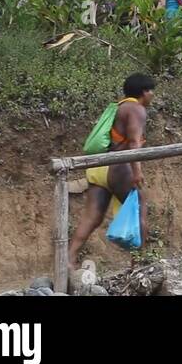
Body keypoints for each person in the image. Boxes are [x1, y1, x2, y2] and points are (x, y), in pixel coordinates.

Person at [68, 73, 154, 270]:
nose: (152, 95)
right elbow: (133, 142)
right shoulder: (136, 109)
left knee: (92, 217)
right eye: (151, 91)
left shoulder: (118, 107)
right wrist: (137, 171)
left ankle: (69, 258)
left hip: (99, 167)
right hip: (118, 167)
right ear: (144, 92)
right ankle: (138, 266)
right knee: (140, 206)